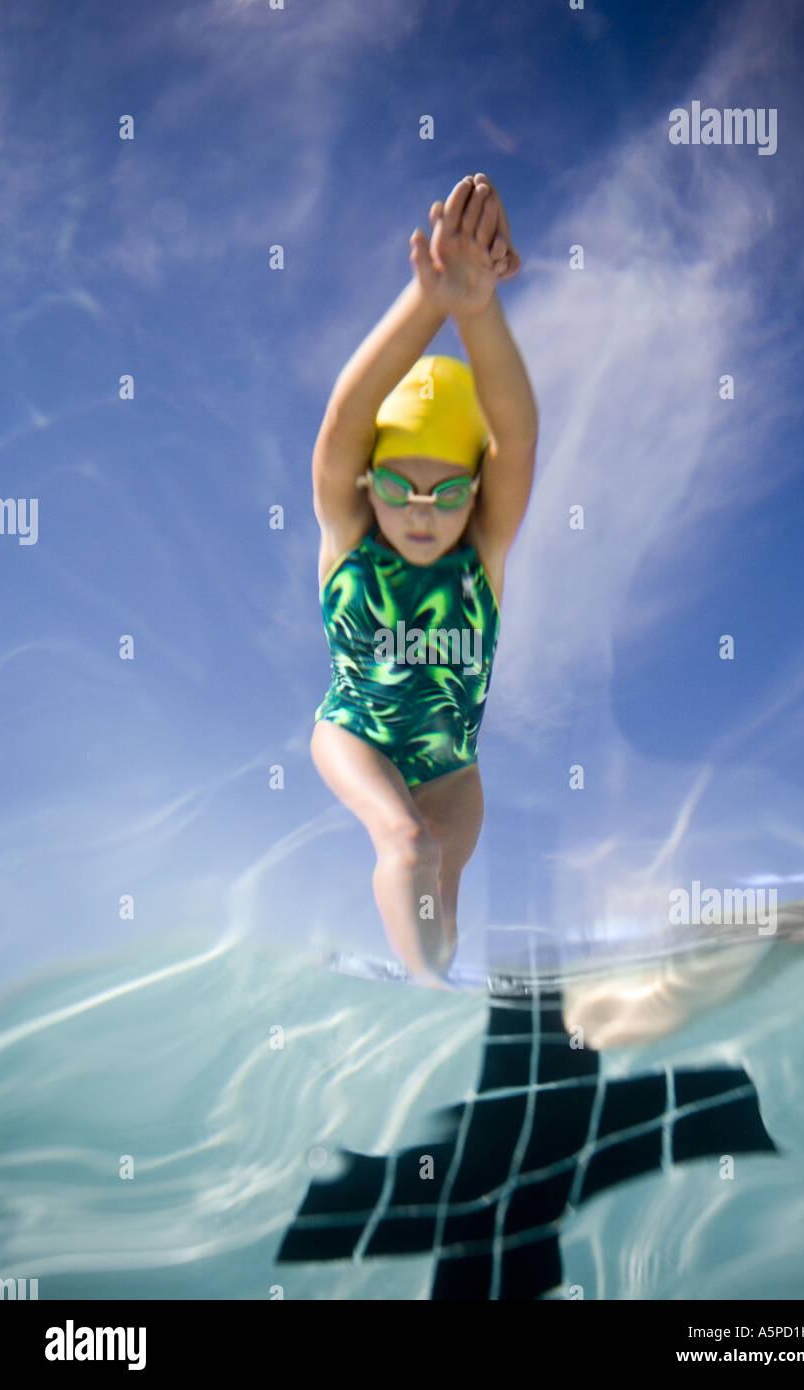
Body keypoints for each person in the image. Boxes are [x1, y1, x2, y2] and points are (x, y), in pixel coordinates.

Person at [311, 173, 538, 988]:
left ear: (473, 490)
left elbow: (514, 434)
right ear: (368, 483)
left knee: (441, 884)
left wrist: (481, 313)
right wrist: (433, 304)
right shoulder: (348, 533)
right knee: (405, 842)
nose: (419, 509)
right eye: (399, 485)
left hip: (452, 763)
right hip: (356, 734)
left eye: (444, 490)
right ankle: (430, 998)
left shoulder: (483, 550)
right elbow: (343, 421)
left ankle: (425, 980)